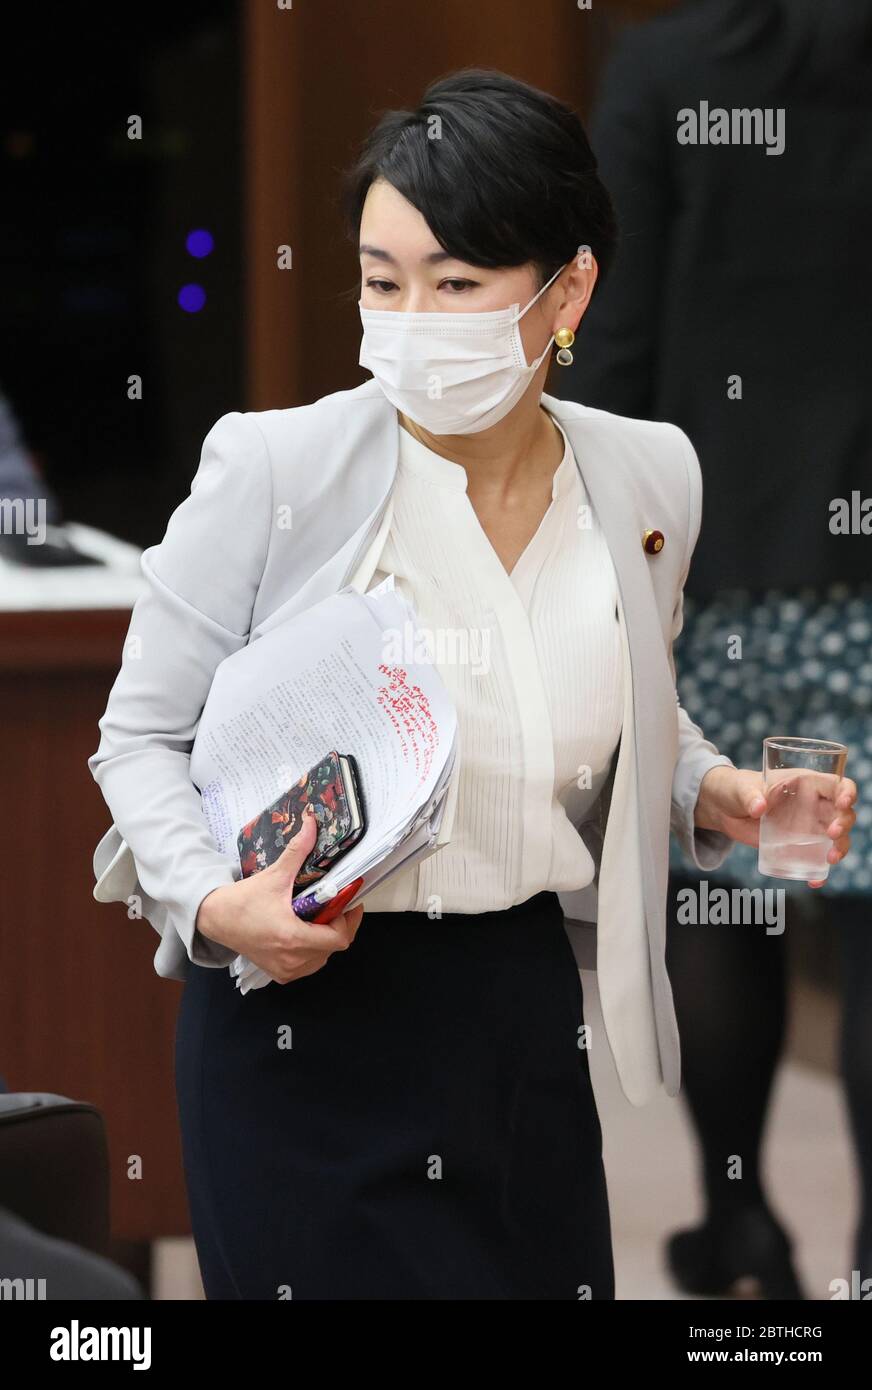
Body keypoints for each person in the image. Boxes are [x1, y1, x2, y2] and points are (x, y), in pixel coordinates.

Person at [87, 69, 857, 1301]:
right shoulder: (273, 468)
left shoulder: (647, 475)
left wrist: (713, 791)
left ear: (569, 289)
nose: (408, 318)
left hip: (513, 1014)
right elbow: (138, 740)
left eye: (453, 284)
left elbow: (617, 692)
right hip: (305, 1018)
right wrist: (210, 905)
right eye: (381, 280)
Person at [551, 0, 872, 1297]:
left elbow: (609, 338)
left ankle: (741, 1221)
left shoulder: (672, 70)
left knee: (725, 892)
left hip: (716, 558)